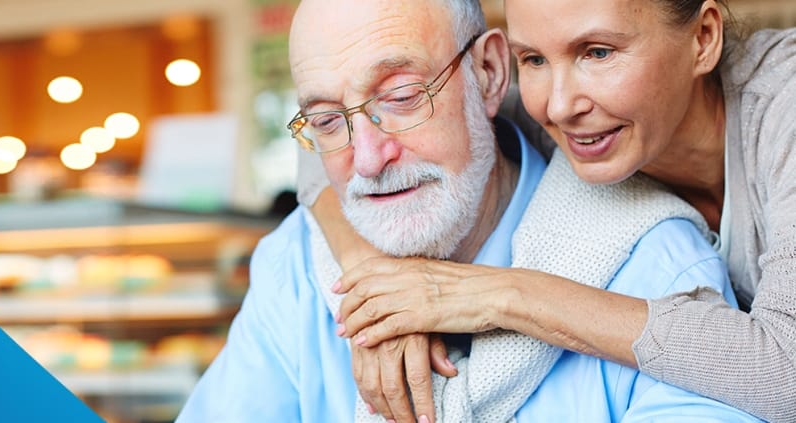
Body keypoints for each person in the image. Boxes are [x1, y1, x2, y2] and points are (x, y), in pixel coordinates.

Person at [178, 0, 759, 422]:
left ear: (487, 75)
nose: (370, 160)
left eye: (402, 98)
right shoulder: (298, 267)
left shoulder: (658, 268)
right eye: (329, 120)